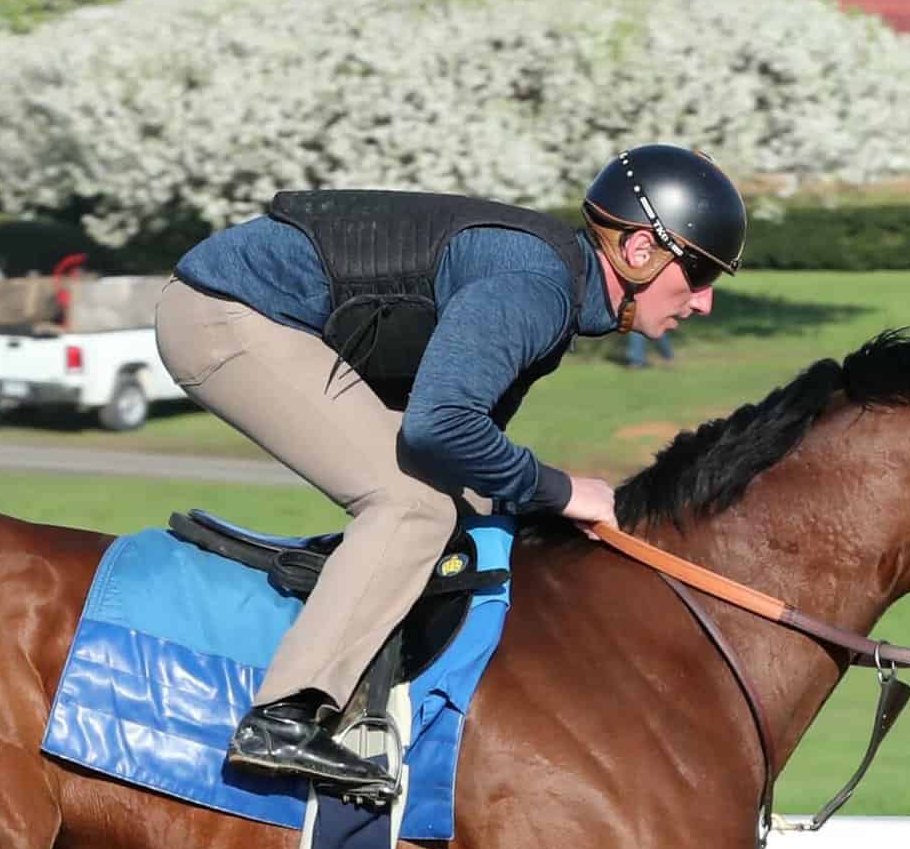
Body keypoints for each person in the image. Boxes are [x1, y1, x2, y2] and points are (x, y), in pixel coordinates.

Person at [154, 145, 745, 803]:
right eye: (696, 274)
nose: (704, 303)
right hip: (227, 312)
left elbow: (470, 456)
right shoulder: (536, 286)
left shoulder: (559, 294)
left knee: (466, 506)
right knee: (413, 509)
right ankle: (283, 717)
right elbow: (439, 428)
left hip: (287, 320)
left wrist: (532, 502)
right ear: (639, 250)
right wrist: (563, 489)